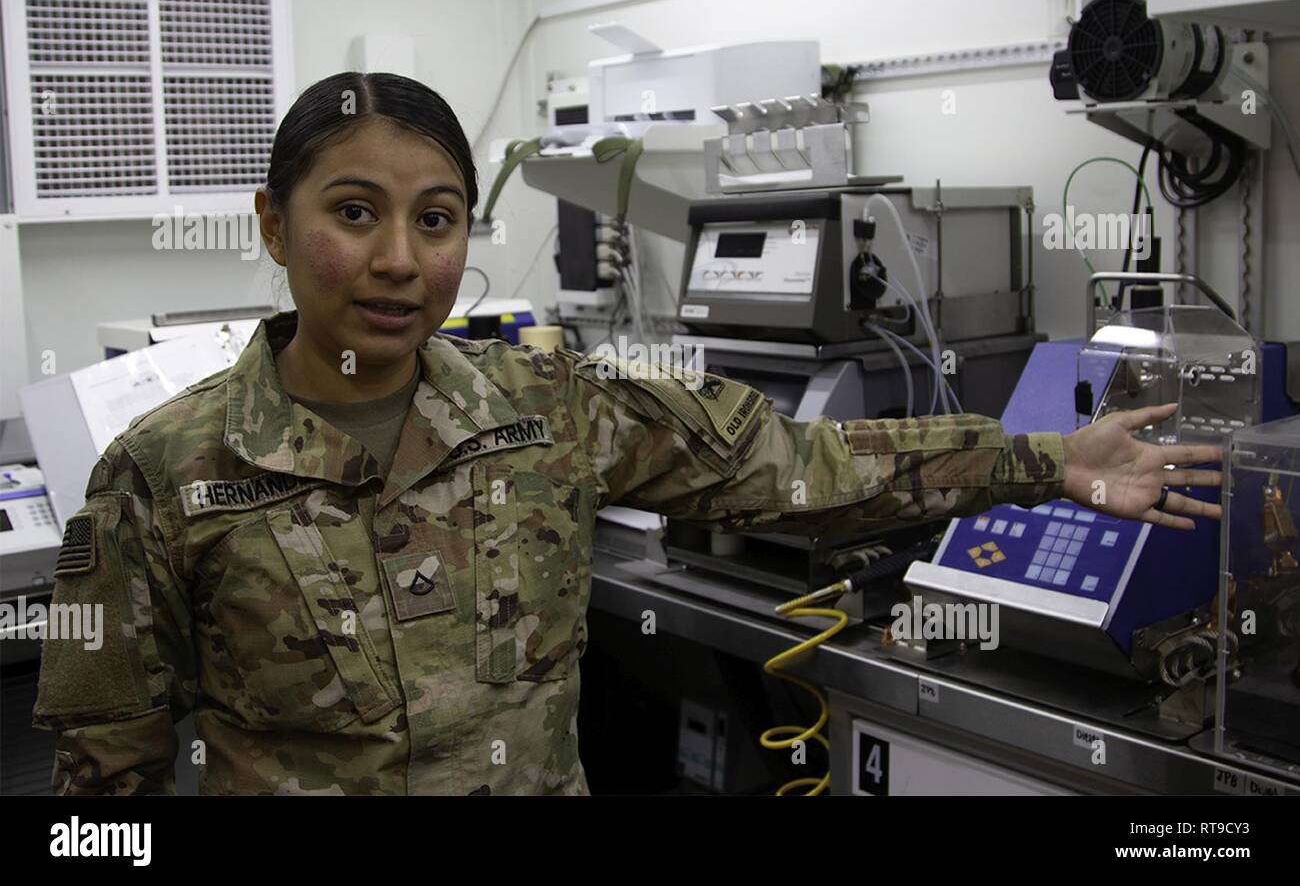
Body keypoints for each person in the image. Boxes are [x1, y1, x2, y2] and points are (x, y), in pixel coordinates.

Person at [32, 72, 1223, 795]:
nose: (401, 258)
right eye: (355, 213)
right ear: (274, 228)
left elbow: (797, 467)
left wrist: (1046, 461)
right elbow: (106, 778)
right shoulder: (163, 472)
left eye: (436, 219)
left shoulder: (549, 410)